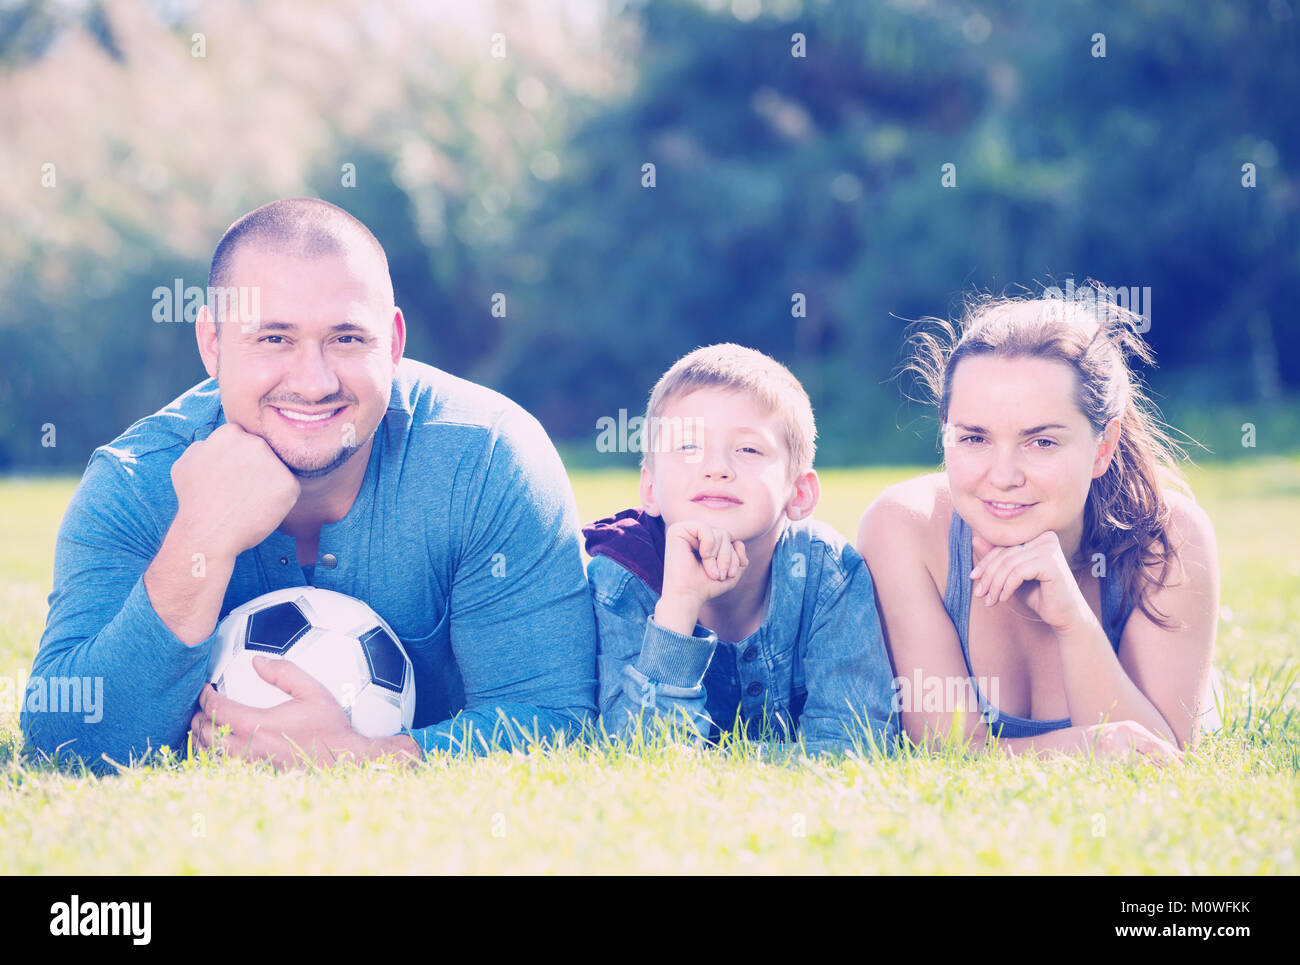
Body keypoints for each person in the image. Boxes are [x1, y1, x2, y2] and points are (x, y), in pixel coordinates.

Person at [21, 197, 597, 771]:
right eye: (274, 339)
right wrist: (198, 543)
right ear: (212, 344)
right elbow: (63, 745)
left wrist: (369, 759)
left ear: (394, 343)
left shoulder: (489, 458)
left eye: (347, 338)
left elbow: (555, 718)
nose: (314, 382)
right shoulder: (135, 482)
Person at [858, 287, 1221, 764]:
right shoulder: (905, 528)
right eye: (974, 438)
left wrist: (1074, 622)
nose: (1004, 477)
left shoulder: (1168, 539)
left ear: (1102, 447)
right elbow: (944, 751)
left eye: (1042, 442)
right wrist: (1089, 746)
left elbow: (1162, 758)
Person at [583, 344, 897, 756]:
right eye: (688, 447)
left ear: (799, 493)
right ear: (650, 489)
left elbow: (853, 747)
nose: (717, 467)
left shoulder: (827, 572)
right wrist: (679, 604)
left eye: (748, 449)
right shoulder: (622, 578)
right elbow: (637, 755)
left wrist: (712, 763)